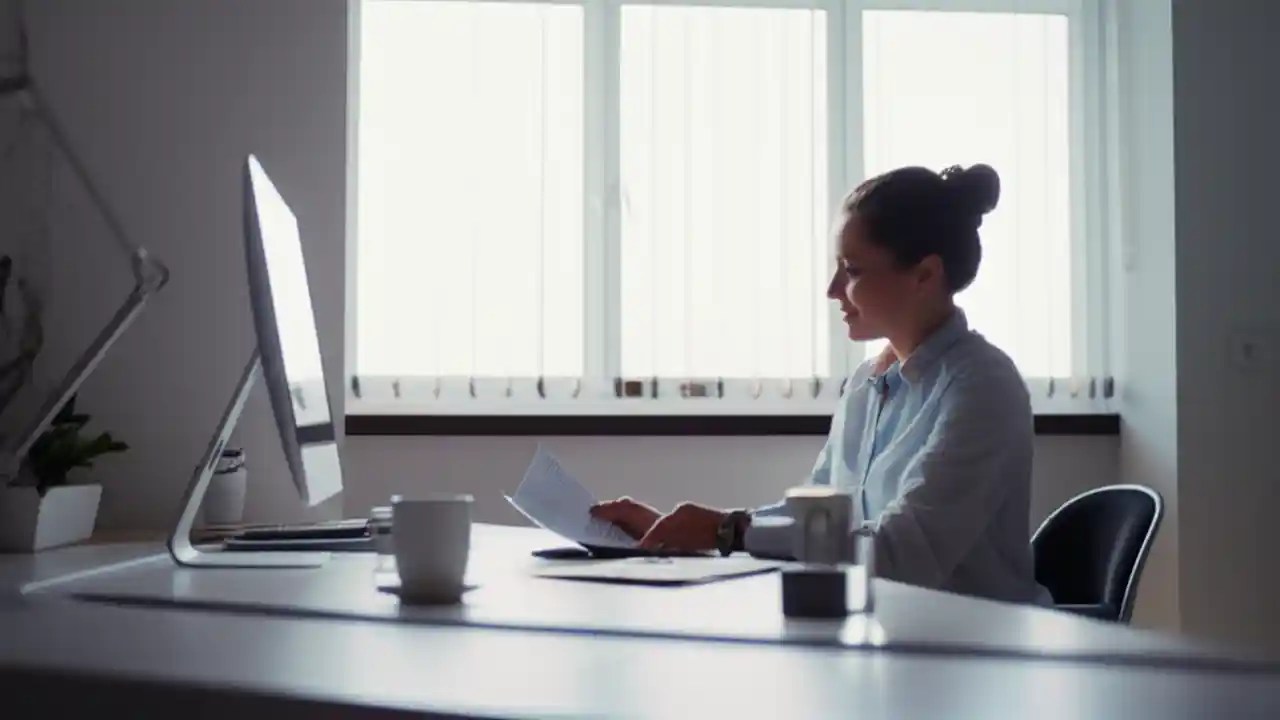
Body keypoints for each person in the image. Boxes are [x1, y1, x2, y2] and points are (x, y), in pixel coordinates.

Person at [592, 164, 1050, 605]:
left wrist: (726, 531)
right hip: (887, 640)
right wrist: (682, 532)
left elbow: (901, 556)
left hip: (977, 656)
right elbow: (816, 523)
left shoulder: (983, 387)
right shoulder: (867, 384)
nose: (833, 289)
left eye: (851, 271)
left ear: (925, 275)